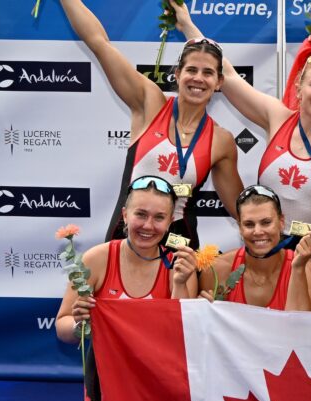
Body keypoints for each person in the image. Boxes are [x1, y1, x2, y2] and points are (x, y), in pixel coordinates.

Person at [174, 7, 311, 263]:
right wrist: (188, 25)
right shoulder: (277, 117)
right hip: (264, 247)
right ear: (299, 89)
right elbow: (228, 74)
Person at [59, 0, 243, 249]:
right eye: (191, 70)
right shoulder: (150, 104)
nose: (198, 79)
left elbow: (242, 212)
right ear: (177, 74)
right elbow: (99, 43)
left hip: (178, 255)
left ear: (219, 82)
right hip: (126, 242)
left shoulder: (221, 140)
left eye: (208, 73)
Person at [54, 176, 198, 401]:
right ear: (124, 215)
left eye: (159, 218)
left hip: (161, 392)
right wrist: (81, 324)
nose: (148, 226)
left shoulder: (178, 266)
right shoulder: (96, 259)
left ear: (170, 223)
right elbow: (62, 328)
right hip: (105, 390)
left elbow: (184, 339)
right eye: (140, 215)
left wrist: (180, 283)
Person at [199, 185, 311, 310]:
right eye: (249, 224)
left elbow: (304, 326)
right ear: (240, 228)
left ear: (281, 222)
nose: (258, 231)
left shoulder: (310, 272)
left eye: (266, 222)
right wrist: (203, 312)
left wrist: (298, 270)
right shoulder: (216, 270)